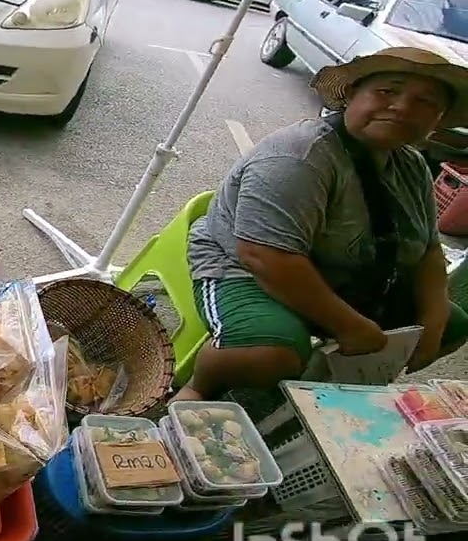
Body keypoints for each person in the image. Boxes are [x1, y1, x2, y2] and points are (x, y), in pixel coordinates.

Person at [177, 46, 468, 401]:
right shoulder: (298, 155)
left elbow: (428, 251)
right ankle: (198, 389)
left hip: (346, 274)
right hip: (245, 268)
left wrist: (434, 322)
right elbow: (265, 257)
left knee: (452, 324)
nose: (403, 107)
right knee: (271, 353)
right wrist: (351, 326)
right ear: (351, 95)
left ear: (438, 119)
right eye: (387, 91)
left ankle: (323, 378)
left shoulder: (412, 165)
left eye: (425, 102)